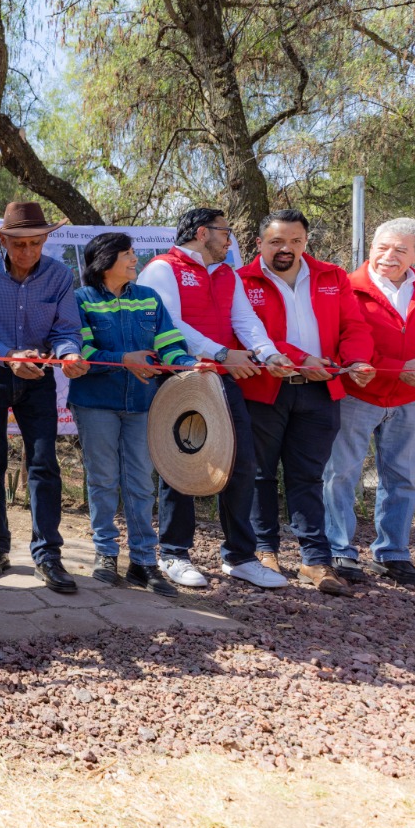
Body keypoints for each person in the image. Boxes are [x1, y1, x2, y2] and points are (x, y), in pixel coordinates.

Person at [138, 207, 298, 590]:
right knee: (182, 465)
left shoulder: (227, 273)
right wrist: (222, 353)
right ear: (200, 232)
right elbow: (170, 325)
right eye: (225, 232)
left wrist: (268, 354)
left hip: (223, 382)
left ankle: (240, 557)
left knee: (240, 463)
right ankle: (174, 552)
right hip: (179, 380)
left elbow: (245, 322)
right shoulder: (162, 269)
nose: (230, 240)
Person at [321, 218, 415, 588]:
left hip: (411, 399)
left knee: (402, 480)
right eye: (382, 247)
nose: (389, 256)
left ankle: (392, 554)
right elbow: (341, 343)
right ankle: (338, 550)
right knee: (341, 474)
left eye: (401, 250)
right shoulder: (346, 288)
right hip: (358, 394)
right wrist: (395, 369)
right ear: (371, 247)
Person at [236, 210, 376, 597]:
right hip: (266, 388)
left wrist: (356, 361)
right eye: (277, 241)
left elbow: (355, 328)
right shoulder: (240, 281)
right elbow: (246, 331)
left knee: (308, 476)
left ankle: (315, 558)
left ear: (305, 242)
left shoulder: (332, 276)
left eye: (296, 241)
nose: (286, 249)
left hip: (321, 390)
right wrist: (300, 358)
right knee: (259, 473)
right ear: (259, 243)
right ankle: (264, 551)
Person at [0, 201, 88, 593]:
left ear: (45, 241)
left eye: (36, 243)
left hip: (38, 379)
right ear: (3, 240)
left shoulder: (59, 275)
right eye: (20, 244)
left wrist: (69, 353)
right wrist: (9, 357)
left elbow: (67, 329)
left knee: (43, 464)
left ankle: (47, 553)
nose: (28, 252)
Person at [68, 231, 195, 599]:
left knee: (140, 483)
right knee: (103, 479)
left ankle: (143, 562)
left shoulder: (149, 298)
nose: (134, 259)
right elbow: (83, 350)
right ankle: (106, 554)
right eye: (127, 253)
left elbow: (169, 342)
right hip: (95, 403)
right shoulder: (81, 299)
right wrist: (122, 361)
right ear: (104, 261)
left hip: (143, 404)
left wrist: (188, 365)